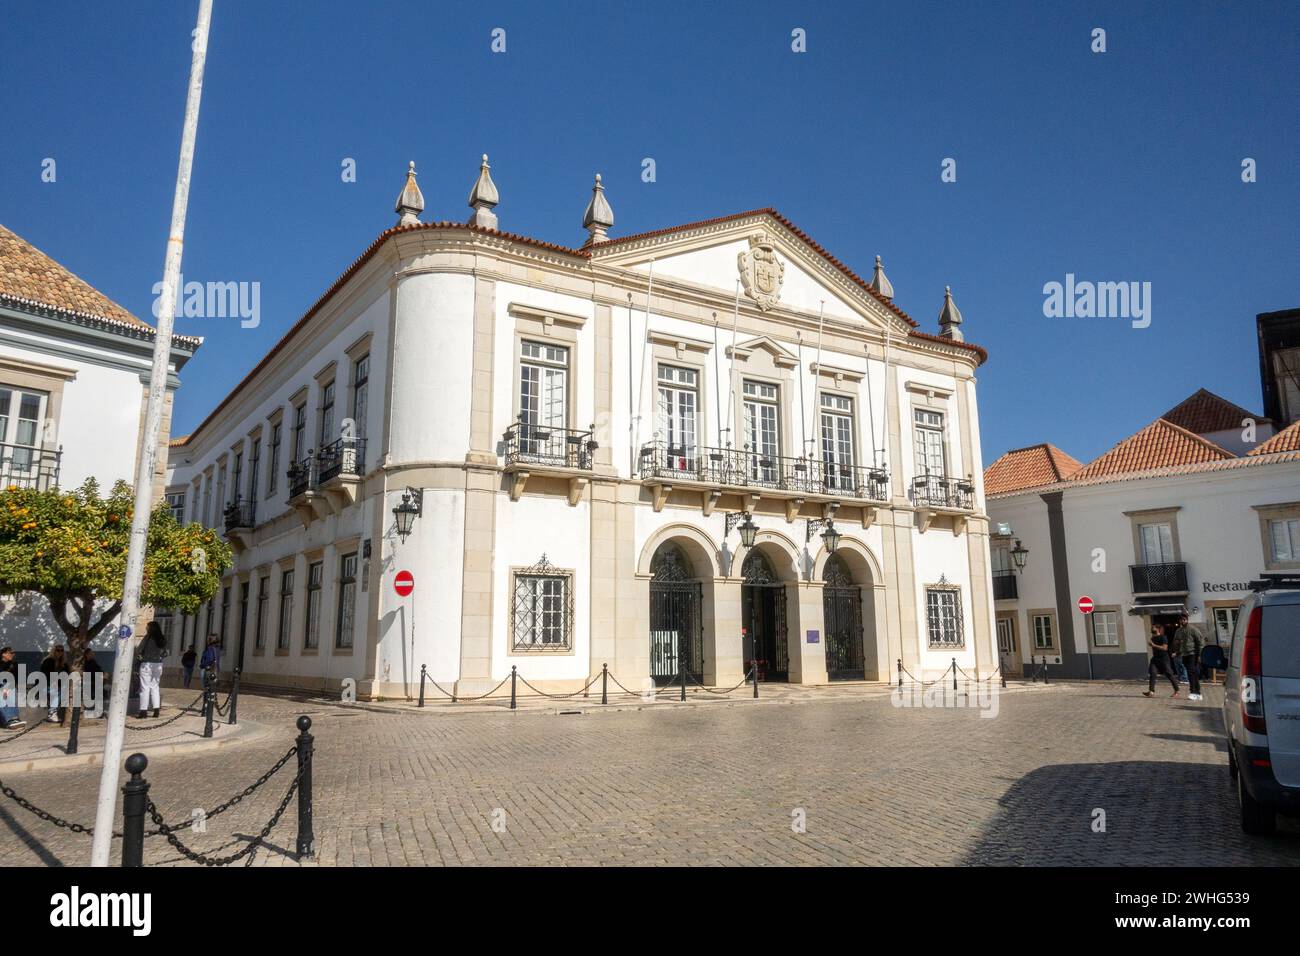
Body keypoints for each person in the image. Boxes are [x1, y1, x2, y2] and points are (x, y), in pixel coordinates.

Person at [136, 621, 168, 719]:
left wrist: (141, 656)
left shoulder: (148, 637)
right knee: (155, 687)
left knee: (145, 687)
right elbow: (165, 653)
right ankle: (156, 710)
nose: (146, 628)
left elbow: (139, 649)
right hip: (158, 664)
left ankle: (143, 711)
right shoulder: (162, 638)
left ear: (151, 628)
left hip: (147, 664)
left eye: (147, 627)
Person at [1143, 623, 1179, 698]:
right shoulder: (1153, 638)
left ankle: (1177, 690)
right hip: (1155, 659)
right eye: (1151, 627)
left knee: (1169, 674)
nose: (1151, 629)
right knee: (1152, 673)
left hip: (1164, 659)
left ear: (1158, 629)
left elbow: (1165, 648)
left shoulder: (1163, 637)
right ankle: (1151, 691)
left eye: (1153, 627)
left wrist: (1154, 645)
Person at [1175, 613, 1205, 700]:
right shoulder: (1178, 631)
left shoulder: (1193, 629)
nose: (1182, 621)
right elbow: (1176, 642)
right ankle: (1198, 693)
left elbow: (1200, 642)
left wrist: (1199, 654)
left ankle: (1193, 692)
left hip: (1193, 654)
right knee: (1192, 673)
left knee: (1191, 673)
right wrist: (1177, 651)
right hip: (1184, 654)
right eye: (1181, 619)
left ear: (1187, 620)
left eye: (1184, 619)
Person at [39, 644, 70, 724]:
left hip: (58, 686)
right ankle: (52, 713)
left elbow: (66, 676)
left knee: (63, 691)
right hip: (45, 686)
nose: (60, 652)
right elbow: (44, 675)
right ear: (54, 651)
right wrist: (53, 682)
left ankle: (53, 712)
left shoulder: (64, 664)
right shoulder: (48, 661)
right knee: (57, 691)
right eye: (58, 650)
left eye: (62, 650)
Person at [0, 646, 25, 729]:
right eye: (10, 653)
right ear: (3, 654)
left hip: (8, 686)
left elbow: (16, 679)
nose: (12, 655)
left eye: (13, 653)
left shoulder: (14, 664)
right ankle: (9, 720)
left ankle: (14, 719)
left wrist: (7, 688)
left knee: (11, 691)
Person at [82, 648, 106, 718]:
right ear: (86, 655)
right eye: (91, 653)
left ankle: (99, 711)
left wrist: (104, 674)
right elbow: (88, 674)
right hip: (89, 683)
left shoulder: (93, 662)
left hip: (95, 683)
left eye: (93, 653)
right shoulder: (85, 663)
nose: (93, 654)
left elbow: (98, 670)